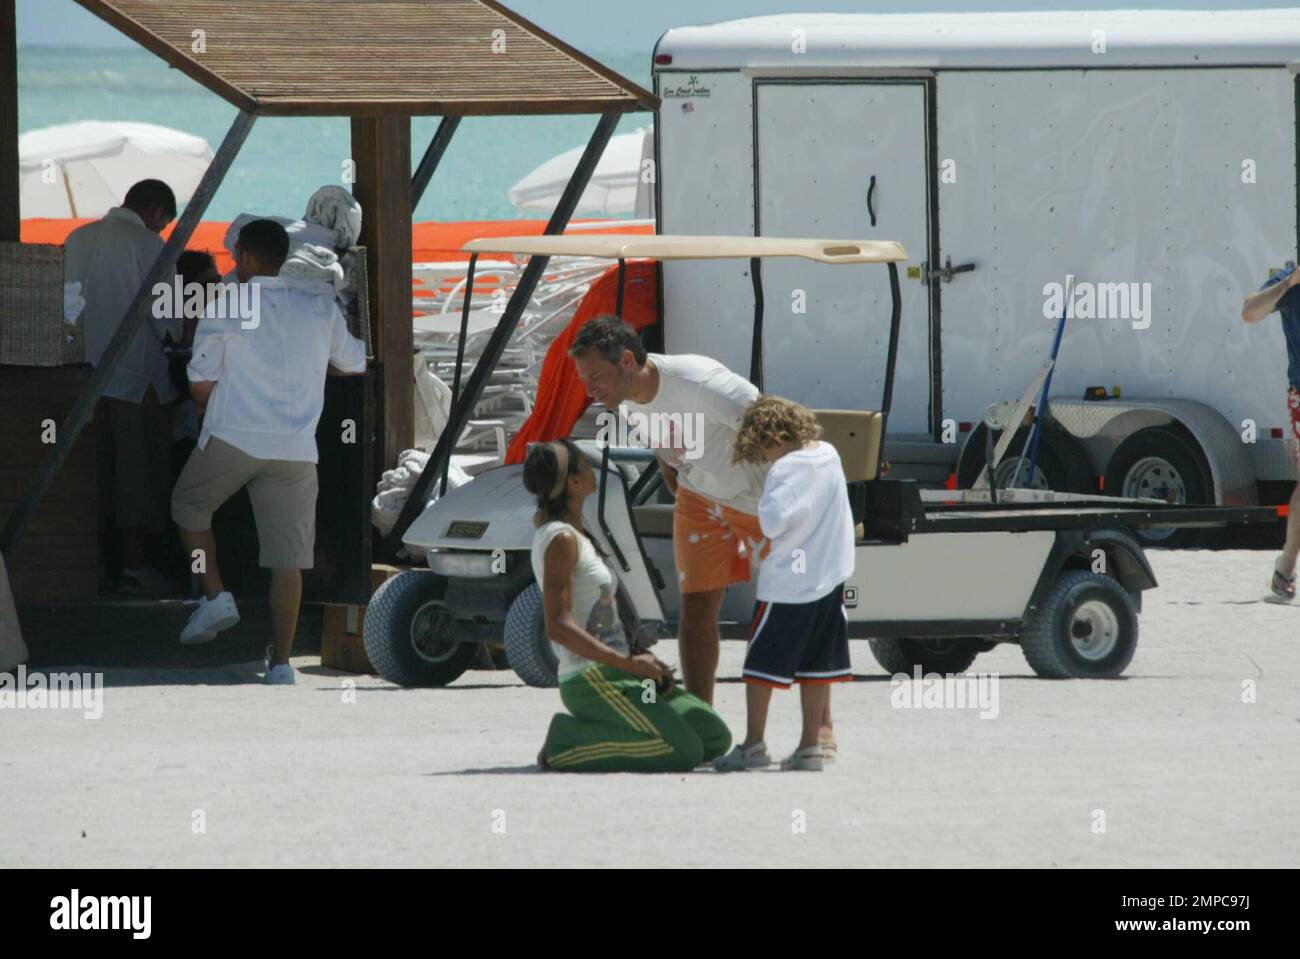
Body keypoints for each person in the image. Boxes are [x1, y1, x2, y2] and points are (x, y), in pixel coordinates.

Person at [569, 315, 839, 758]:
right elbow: (665, 441)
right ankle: (703, 727)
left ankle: (821, 729)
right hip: (700, 498)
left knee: (798, 606)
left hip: (756, 499)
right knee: (694, 606)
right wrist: (676, 480)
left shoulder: (702, 385)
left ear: (628, 360)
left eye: (595, 377)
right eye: (584, 379)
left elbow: (782, 431)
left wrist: (801, 507)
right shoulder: (627, 400)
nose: (589, 389)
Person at [170, 220, 367, 683]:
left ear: (243, 255)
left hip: (235, 435)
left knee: (189, 505)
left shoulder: (226, 303)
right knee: (289, 560)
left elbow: (199, 384)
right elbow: (354, 362)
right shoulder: (319, 307)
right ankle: (281, 664)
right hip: (297, 447)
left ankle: (216, 594)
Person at [526, 439, 731, 771]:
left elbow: (604, 618)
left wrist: (638, 657)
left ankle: (627, 729)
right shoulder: (559, 540)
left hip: (619, 672)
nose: (593, 469)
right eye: (584, 465)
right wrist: (628, 664)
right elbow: (559, 627)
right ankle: (565, 743)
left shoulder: (578, 533)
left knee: (711, 736)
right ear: (573, 484)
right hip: (590, 680)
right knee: (684, 752)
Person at [714, 397, 855, 772]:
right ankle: (811, 746)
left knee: (761, 665)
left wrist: (760, 503)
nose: (762, 457)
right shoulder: (829, 454)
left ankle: (753, 744)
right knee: (816, 666)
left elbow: (773, 522)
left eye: (760, 448)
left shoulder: (786, 469)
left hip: (787, 586)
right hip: (829, 579)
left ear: (769, 436)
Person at [64, 179, 179, 596]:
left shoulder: (76, 238)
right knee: (136, 474)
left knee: (93, 473)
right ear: (155, 212)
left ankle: (90, 565)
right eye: (165, 223)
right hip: (135, 376)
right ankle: (133, 566)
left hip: (81, 374)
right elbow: (167, 320)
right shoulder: (150, 246)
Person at [1242, 263, 1300, 601]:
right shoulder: (1288, 279)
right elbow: (1249, 311)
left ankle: (1285, 567)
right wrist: (1290, 283)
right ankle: (1286, 567)